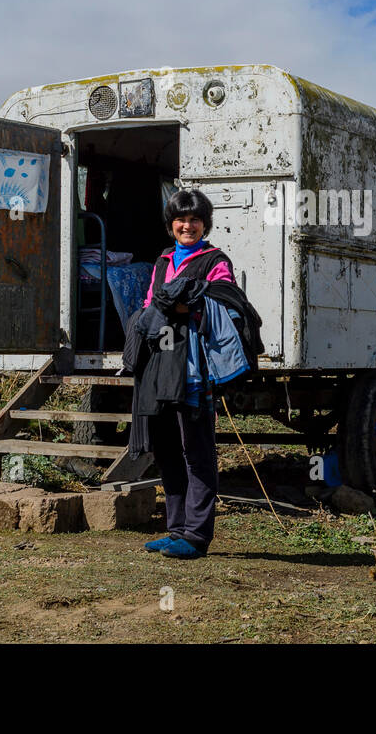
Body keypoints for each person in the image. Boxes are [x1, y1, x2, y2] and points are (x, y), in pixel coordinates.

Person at [141, 188, 236, 560]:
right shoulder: (163, 261)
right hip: (162, 363)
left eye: (195, 219)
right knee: (168, 450)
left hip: (195, 369)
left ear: (205, 224)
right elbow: (151, 303)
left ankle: (196, 536)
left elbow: (227, 301)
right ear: (171, 225)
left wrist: (189, 303)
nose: (187, 225)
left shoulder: (215, 260)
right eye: (181, 219)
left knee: (197, 450)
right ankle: (176, 528)